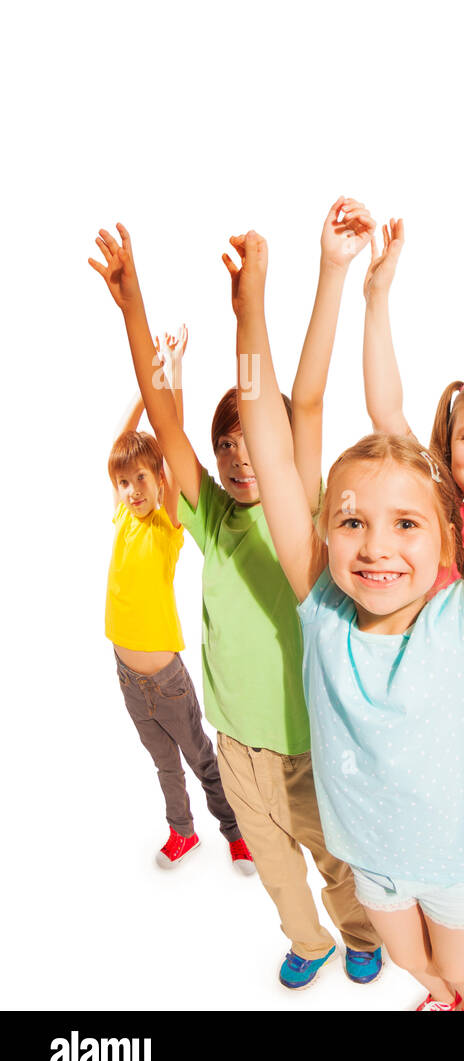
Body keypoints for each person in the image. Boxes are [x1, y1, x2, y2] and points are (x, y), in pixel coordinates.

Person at [229, 215, 464, 1010]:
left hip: (456, 866)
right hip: (372, 864)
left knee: (460, 970)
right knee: (413, 966)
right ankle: (438, 989)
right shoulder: (320, 604)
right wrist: (249, 312)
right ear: (324, 530)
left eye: (406, 524)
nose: (376, 546)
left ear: (448, 536)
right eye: (352, 520)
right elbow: (273, 441)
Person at [89, 209, 384, 991]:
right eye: (226, 444)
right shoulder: (213, 521)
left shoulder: (307, 510)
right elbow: (162, 416)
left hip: (310, 741)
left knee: (333, 854)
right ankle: (308, 940)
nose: (239, 453)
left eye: (252, 437)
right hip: (238, 746)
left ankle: (358, 932)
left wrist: (263, 302)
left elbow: (306, 400)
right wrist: (133, 306)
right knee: (280, 870)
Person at [106, 325, 249, 873]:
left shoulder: (164, 523)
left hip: (166, 680)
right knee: (164, 763)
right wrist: (141, 394)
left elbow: (172, 438)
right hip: (126, 675)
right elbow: (120, 446)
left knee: (200, 760)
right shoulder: (121, 514)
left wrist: (168, 376)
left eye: (143, 479)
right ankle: (182, 832)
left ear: (158, 480)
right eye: (125, 482)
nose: (133, 489)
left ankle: (234, 831)